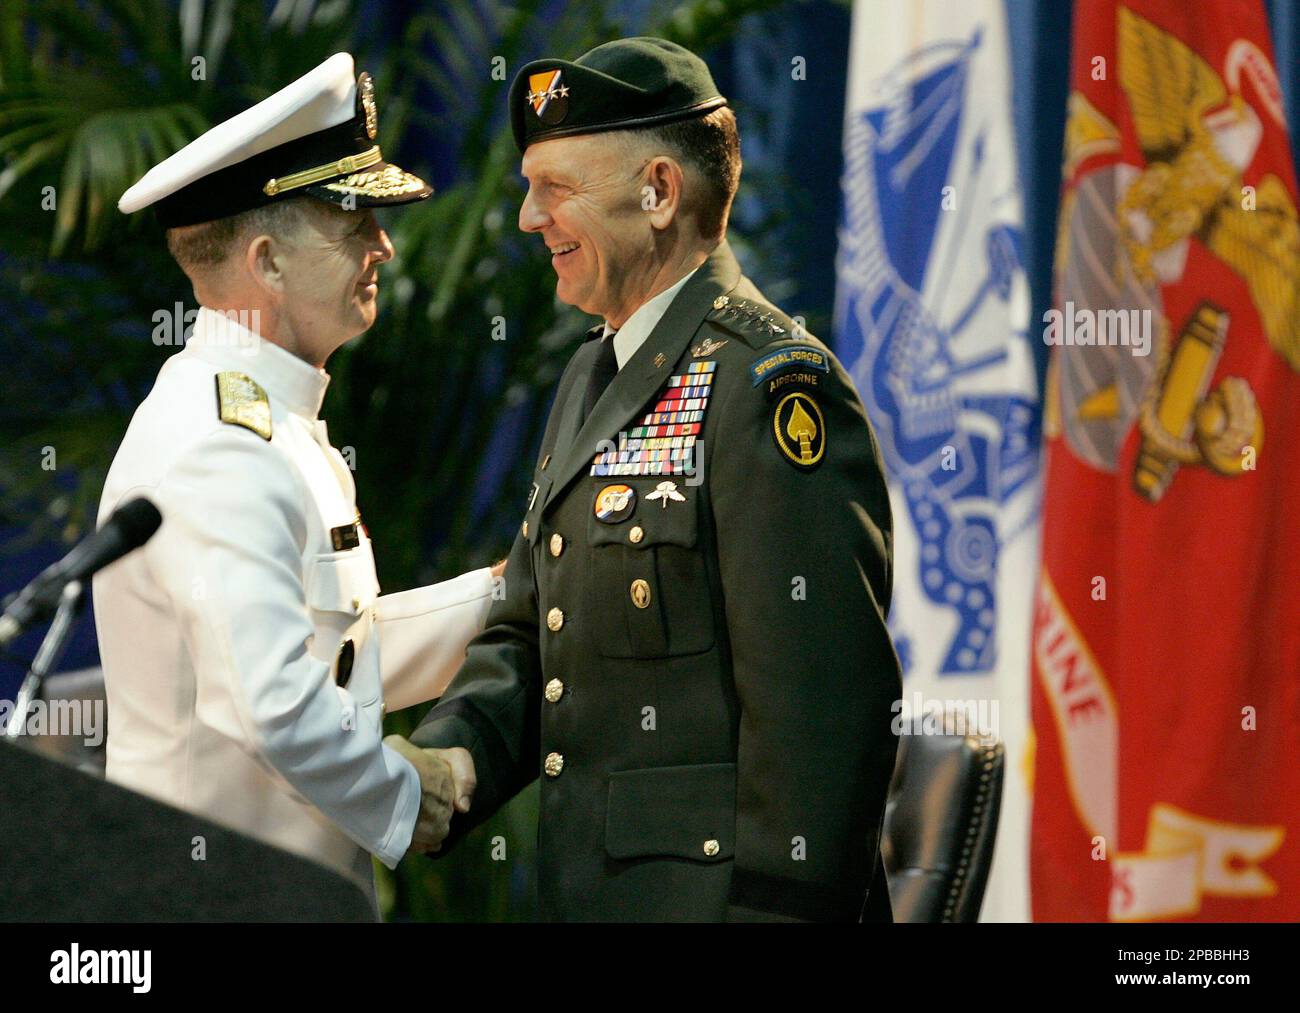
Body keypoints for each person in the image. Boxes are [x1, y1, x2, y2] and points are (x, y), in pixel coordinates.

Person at [411, 37, 902, 922]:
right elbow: (529, 630)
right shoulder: (588, 376)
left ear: (660, 194)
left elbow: (825, 717)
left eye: (555, 190)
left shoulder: (771, 387)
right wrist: (447, 768)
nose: (528, 218)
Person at [96, 53, 486, 905]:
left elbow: (337, 651)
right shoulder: (218, 443)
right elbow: (274, 707)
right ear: (267, 263)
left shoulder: (265, 418)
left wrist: (509, 592)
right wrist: (406, 793)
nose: (383, 244)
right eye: (354, 220)